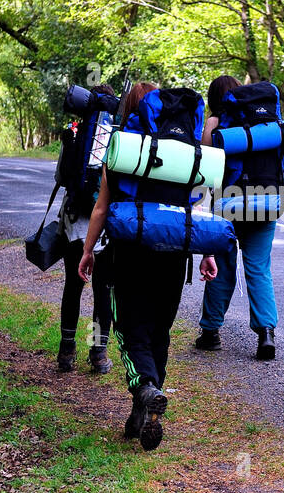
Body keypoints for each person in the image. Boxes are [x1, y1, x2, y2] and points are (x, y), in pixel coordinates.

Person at [79, 82, 218, 451]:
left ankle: (145, 388)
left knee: (129, 331)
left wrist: (88, 250)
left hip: (130, 253)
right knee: (159, 331)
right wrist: (208, 253)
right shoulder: (188, 155)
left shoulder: (125, 150)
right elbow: (198, 208)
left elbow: (101, 208)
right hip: (174, 252)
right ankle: (145, 406)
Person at [194, 74, 281, 360]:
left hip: (227, 206)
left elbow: (204, 167)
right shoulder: (264, 123)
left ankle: (210, 332)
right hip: (265, 201)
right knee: (258, 269)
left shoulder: (215, 123)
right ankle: (266, 333)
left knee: (222, 267)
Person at [56, 84, 117, 374]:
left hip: (73, 221)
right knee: (103, 290)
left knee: (73, 286)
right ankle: (99, 354)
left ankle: (66, 353)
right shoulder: (116, 133)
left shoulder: (76, 132)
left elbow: (60, 175)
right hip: (102, 223)